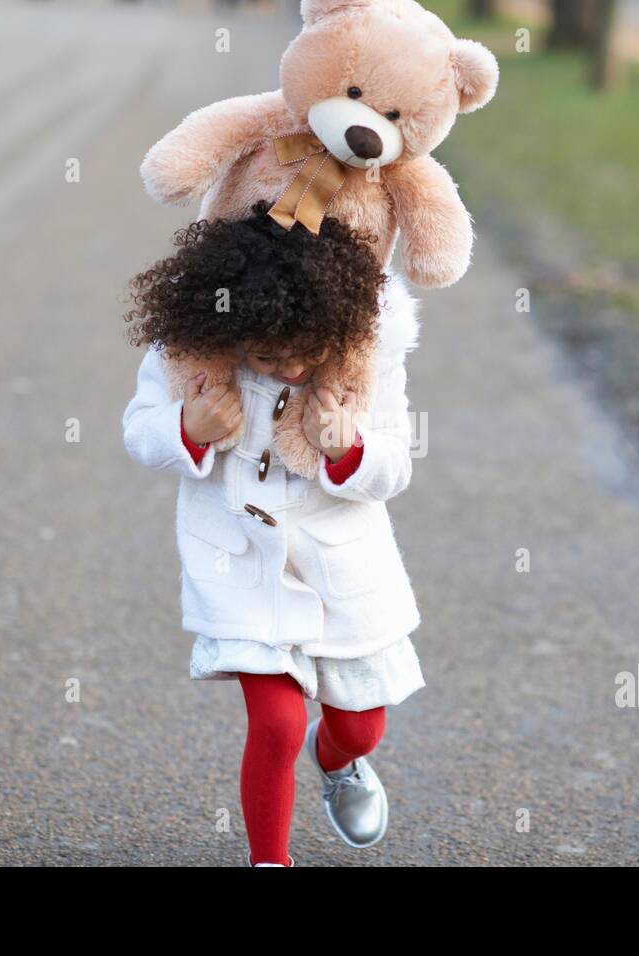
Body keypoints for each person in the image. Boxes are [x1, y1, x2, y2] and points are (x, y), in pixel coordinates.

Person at [121, 202, 425, 866]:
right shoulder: (190, 353)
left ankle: (336, 759)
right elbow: (139, 429)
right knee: (277, 721)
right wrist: (186, 427)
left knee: (361, 727)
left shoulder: (368, 358)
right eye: (266, 355)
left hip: (341, 566)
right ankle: (269, 859)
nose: (288, 369)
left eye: (303, 355)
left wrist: (350, 447)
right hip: (241, 565)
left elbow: (397, 463)